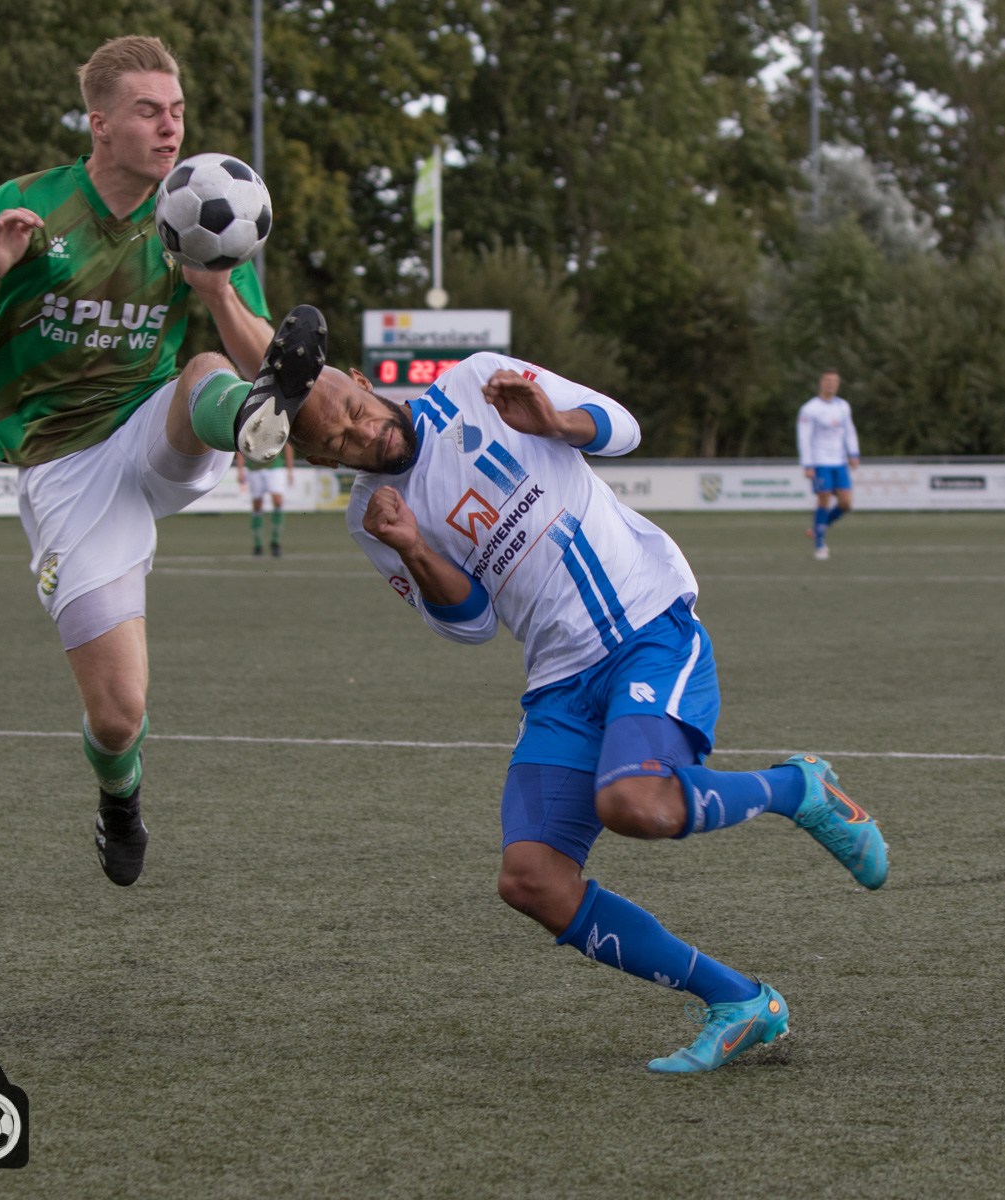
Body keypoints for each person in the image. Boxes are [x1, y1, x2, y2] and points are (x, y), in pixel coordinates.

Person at [289, 348, 888, 1074]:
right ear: (321, 461)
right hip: (559, 679)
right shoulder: (370, 517)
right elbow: (469, 622)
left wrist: (557, 420)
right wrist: (412, 547)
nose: (361, 437)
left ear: (360, 381)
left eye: (355, 412)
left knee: (634, 800)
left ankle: (800, 789)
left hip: (645, 628)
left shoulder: (478, 380)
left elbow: (623, 427)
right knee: (531, 878)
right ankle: (741, 1003)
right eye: (339, 444)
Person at [0, 35, 326, 887]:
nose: (170, 129)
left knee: (213, 373)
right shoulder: (28, 205)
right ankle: (119, 800)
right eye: (147, 112)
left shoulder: (196, 211)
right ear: (99, 123)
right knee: (118, 712)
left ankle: (241, 421)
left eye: (176, 112)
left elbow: (257, 349)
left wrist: (215, 294)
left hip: (154, 423)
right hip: (63, 467)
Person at [797, 370, 859, 561]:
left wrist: (854, 453)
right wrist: (807, 464)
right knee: (823, 499)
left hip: (839, 461)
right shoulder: (810, 408)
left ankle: (817, 528)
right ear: (821, 383)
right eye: (828, 381)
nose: (831, 384)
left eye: (835, 381)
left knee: (846, 503)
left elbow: (849, 431)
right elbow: (804, 437)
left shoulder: (843, 406)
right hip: (820, 460)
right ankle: (820, 545)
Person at [236, 442, 294, 555]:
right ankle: (258, 544)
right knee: (257, 506)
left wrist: (290, 470)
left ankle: (275, 541)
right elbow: (241, 445)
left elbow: (287, 444)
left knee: (278, 502)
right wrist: (240, 469)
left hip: (274, 468)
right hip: (254, 469)